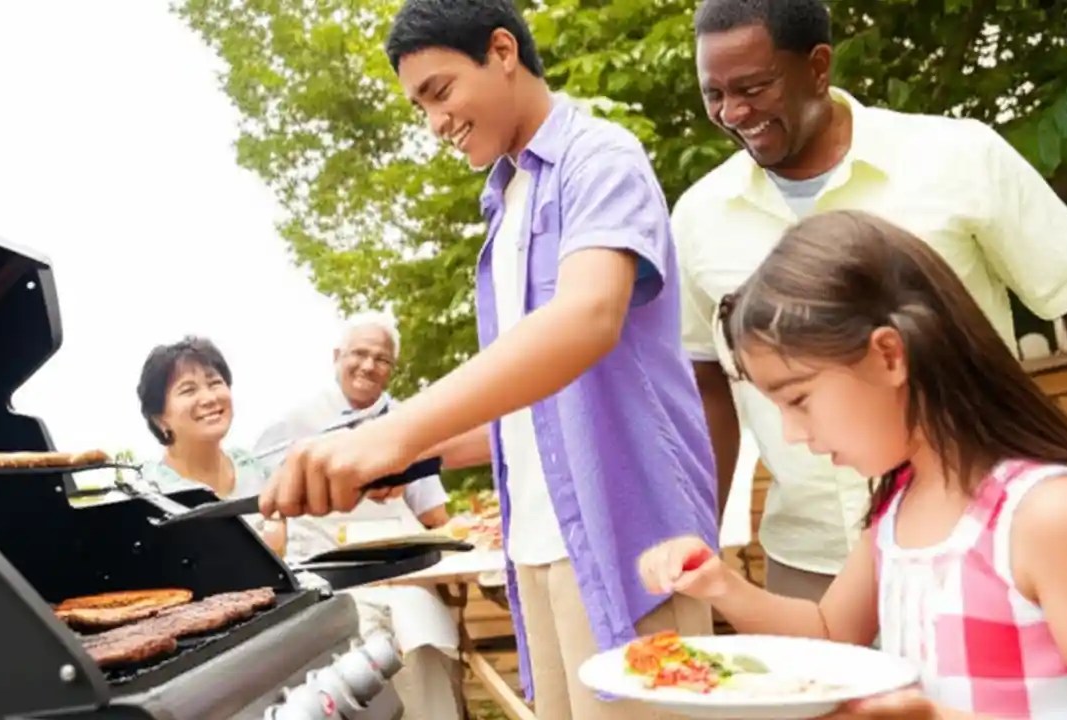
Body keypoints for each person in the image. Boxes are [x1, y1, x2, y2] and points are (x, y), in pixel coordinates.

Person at [260, 1, 721, 717]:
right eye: (419, 106)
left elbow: (588, 318)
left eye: (440, 92)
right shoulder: (505, 202)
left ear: (502, 51)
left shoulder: (598, 158)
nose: (434, 124)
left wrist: (394, 429)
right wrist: (412, 456)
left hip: (630, 548)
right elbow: (540, 407)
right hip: (536, 546)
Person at [673, 0, 1067, 600]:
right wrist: (699, 534)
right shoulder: (696, 217)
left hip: (982, 533)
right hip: (811, 561)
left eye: (753, 87)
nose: (732, 111)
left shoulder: (958, 157)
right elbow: (706, 382)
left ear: (818, 67)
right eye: (713, 93)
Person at [640, 210, 1067, 719]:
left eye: (799, 400)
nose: (792, 434)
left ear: (888, 356)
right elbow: (831, 635)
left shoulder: (1050, 514)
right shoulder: (900, 504)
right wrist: (720, 585)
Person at [251, 312, 463, 720]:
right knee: (355, 647)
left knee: (424, 640)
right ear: (337, 357)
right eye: (359, 354)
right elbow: (269, 512)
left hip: (406, 577)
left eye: (381, 359)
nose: (369, 366)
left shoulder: (409, 424)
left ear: (392, 370)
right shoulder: (293, 424)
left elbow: (436, 516)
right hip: (329, 579)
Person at [134, 335, 286, 555]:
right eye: (188, 390)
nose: (208, 398)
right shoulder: (150, 494)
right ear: (160, 418)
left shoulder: (258, 473)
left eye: (215, 383)